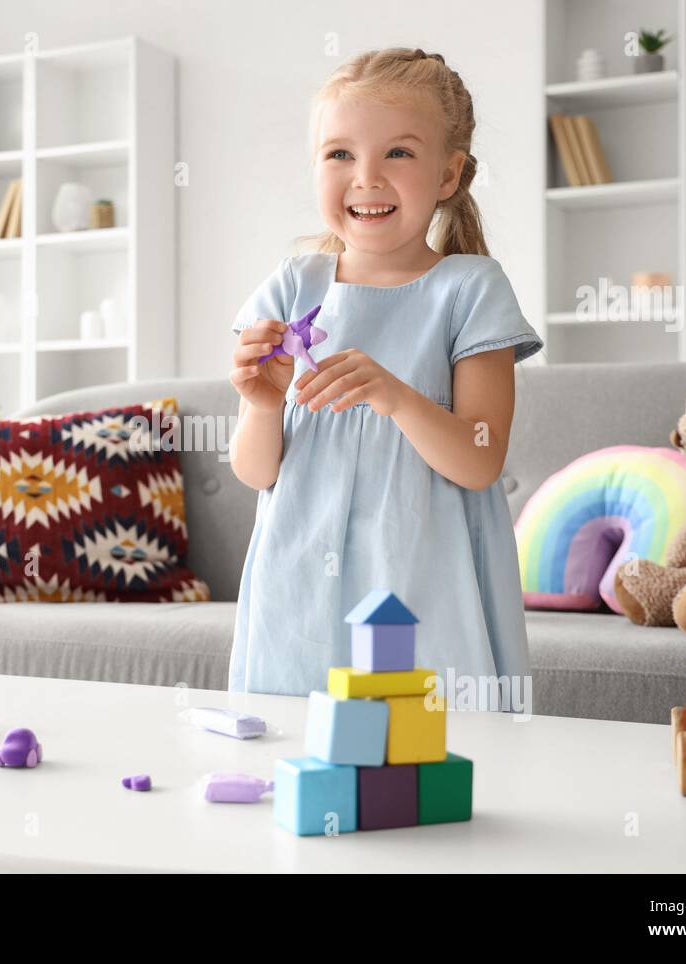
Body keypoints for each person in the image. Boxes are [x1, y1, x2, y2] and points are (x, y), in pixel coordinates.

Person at [227, 47, 543, 698]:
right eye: (339, 154)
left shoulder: (470, 288)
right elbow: (257, 473)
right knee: (297, 759)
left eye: (397, 153)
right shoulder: (291, 286)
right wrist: (262, 406)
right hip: (299, 592)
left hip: (426, 582)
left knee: (426, 756)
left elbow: (480, 460)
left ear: (448, 174)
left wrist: (393, 394)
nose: (366, 178)